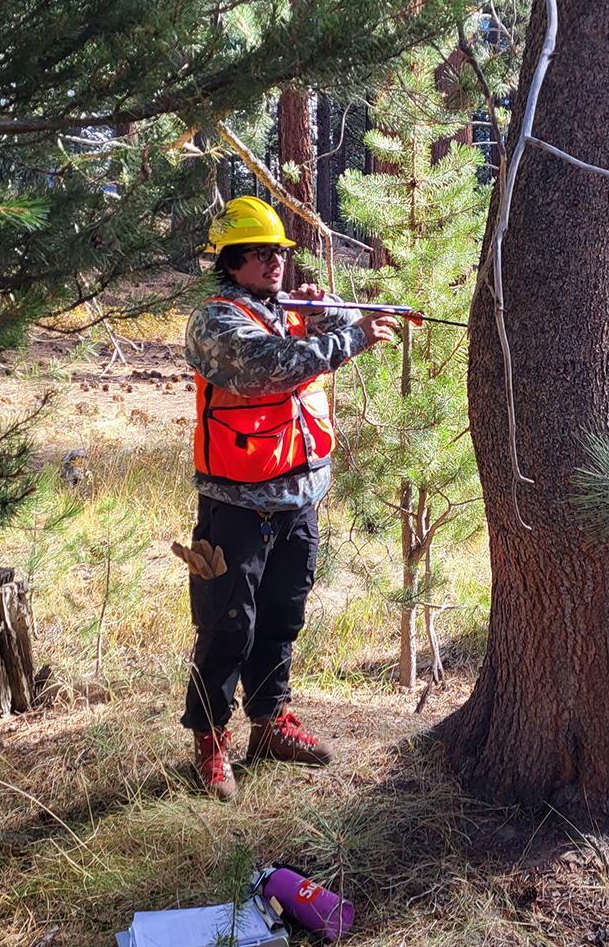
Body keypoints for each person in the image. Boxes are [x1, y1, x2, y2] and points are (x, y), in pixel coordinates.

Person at [172, 195, 397, 799]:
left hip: (299, 496)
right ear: (230, 259)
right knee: (227, 625)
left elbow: (307, 345)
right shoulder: (215, 321)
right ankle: (210, 739)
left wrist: (333, 318)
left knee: (280, 619)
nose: (274, 262)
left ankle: (269, 722)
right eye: (259, 253)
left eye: (279, 252)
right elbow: (266, 368)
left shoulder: (286, 312)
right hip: (235, 504)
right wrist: (347, 339)